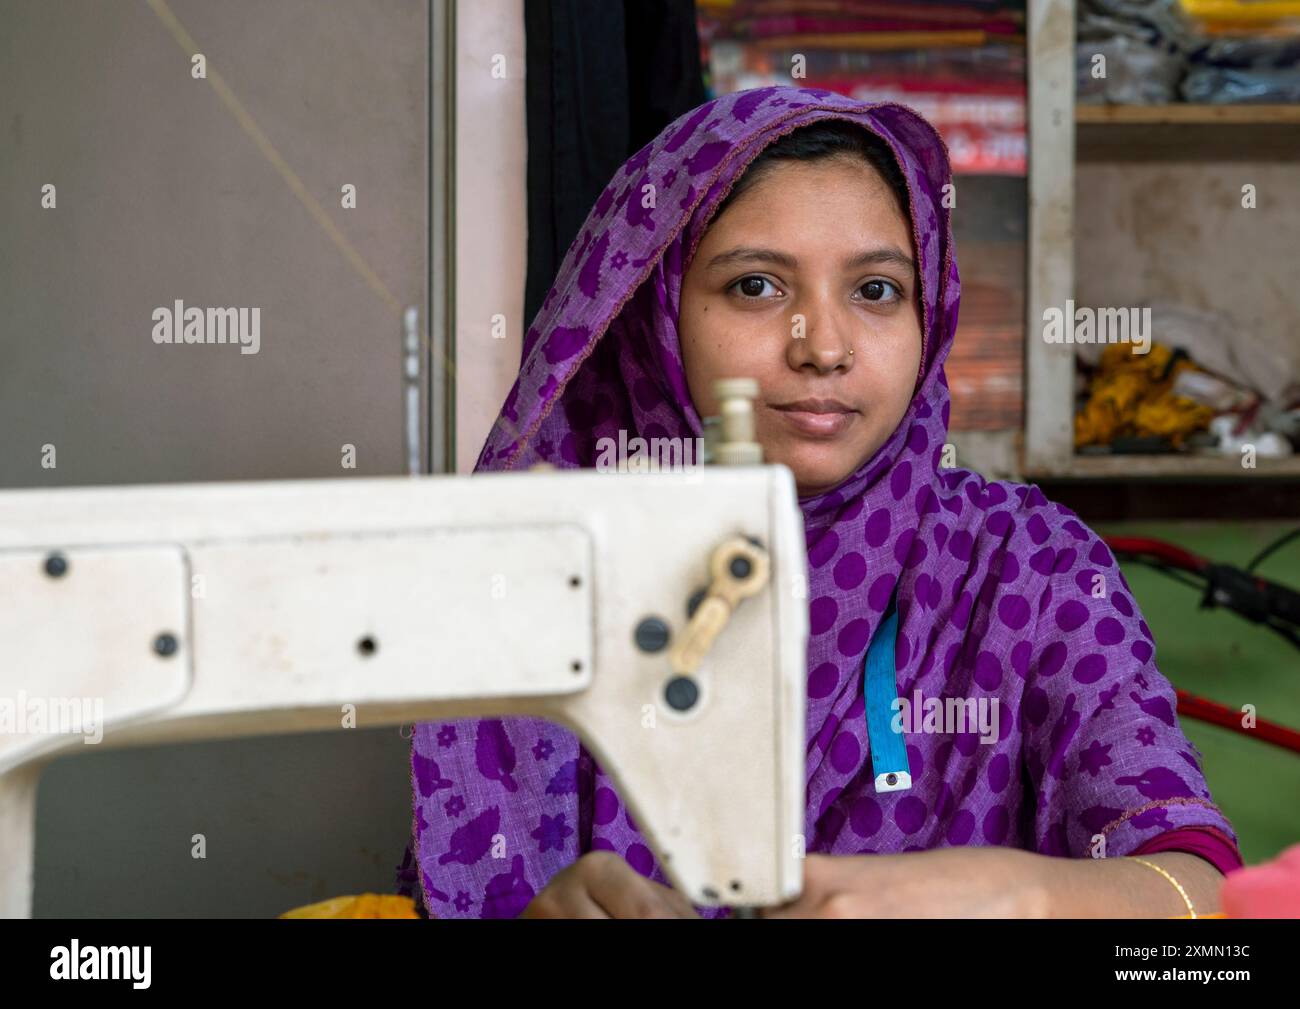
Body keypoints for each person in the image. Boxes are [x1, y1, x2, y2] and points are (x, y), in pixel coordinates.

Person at [394, 85, 1243, 919]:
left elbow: (1201, 906)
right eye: (757, 287)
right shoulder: (545, 575)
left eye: (876, 290)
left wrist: (1021, 897)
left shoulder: (1029, 569)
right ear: (653, 308)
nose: (824, 346)